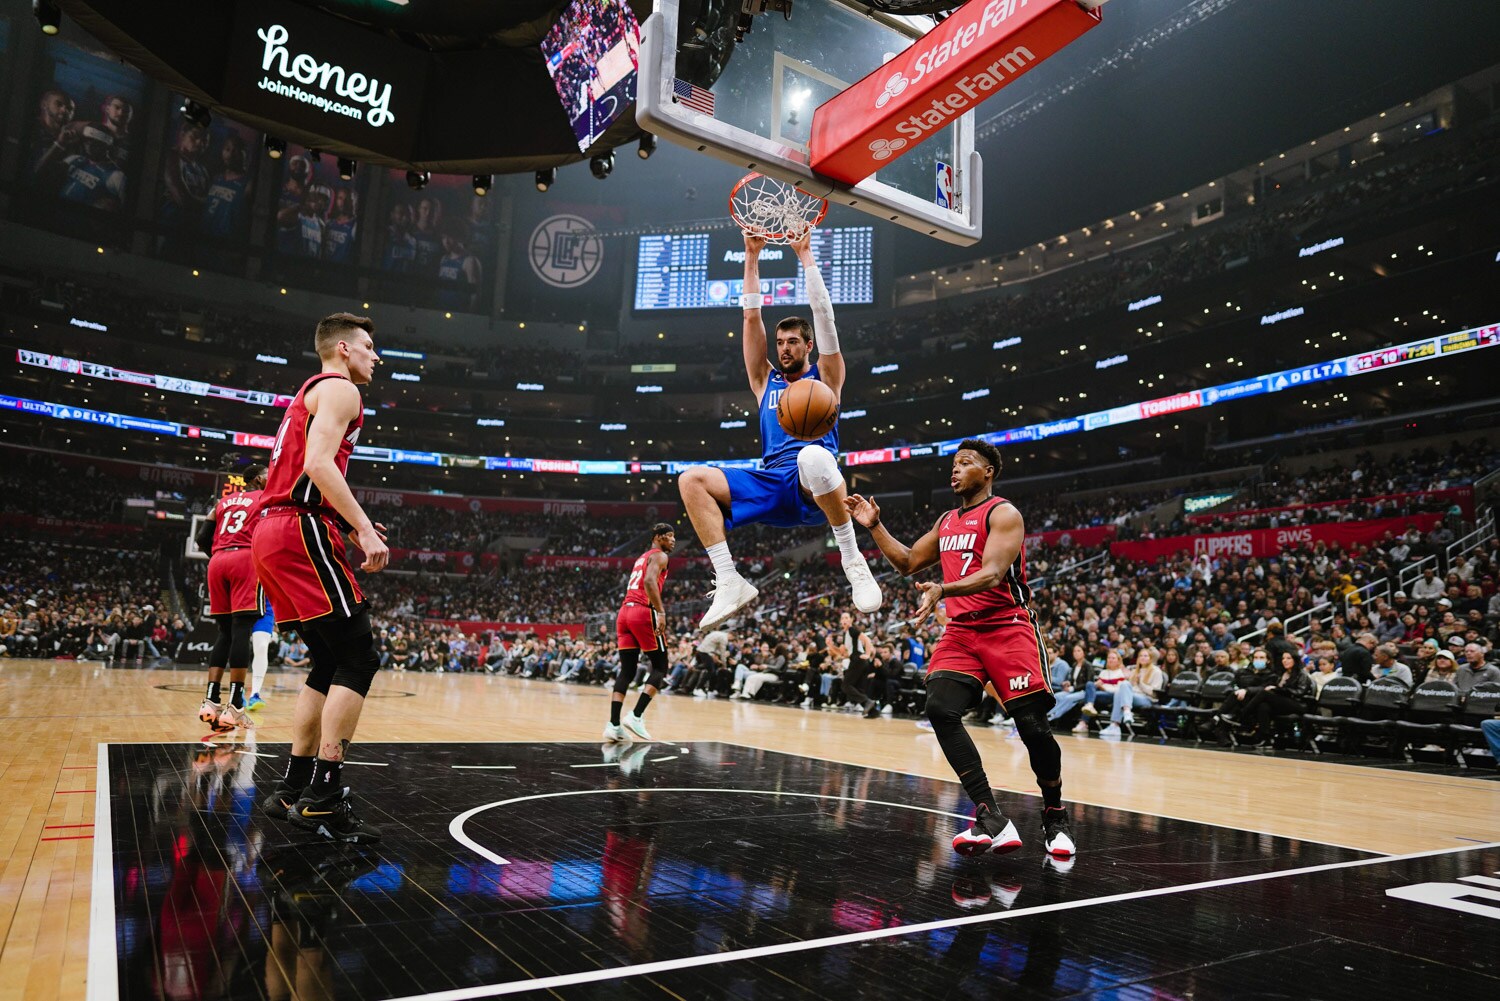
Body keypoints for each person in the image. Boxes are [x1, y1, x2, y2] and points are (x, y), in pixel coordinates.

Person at [847, 438, 1074, 859]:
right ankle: (990, 815)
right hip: (962, 631)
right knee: (939, 708)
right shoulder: (947, 520)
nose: (955, 470)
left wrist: (943, 589)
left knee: (1033, 728)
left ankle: (1055, 814)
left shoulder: (1003, 513)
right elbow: (908, 562)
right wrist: (874, 525)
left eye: (965, 463)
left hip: (1007, 626)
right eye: (953, 464)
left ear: (988, 472)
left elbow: (991, 574)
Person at [677, 231, 880, 629]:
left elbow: (824, 315)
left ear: (808, 346)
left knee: (813, 454)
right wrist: (751, 255)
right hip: (771, 481)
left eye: (792, 342)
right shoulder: (763, 380)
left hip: (815, 489)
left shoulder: (828, 376)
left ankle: (853, 559)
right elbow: (750, 317)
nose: (783, 348)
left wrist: (805, 255)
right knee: (691, 480)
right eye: (780, 342)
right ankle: (729, 580)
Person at [251, 312, 389, 844]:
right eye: (369, 347)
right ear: (342, 349)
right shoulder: (340, 389)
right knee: (359, 657)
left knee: (329, 660)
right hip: (297, 528)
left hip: (276, 531)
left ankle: (294, 787)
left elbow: (301, 472)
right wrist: (362, 529)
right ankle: (325, 797)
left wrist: (348, 524)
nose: (375, 357)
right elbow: (317, 465)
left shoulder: (306, 393)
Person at [194, 465, 267, 733]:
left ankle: (210, 701)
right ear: (259, 479)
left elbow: (202, 538)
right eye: (269, 474)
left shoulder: (222, 502)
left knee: (224, 632)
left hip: (218, 561)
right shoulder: (264, 496)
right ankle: (236, 705)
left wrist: (219, 557)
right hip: (245, 559)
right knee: (241, 632)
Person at [604, 523, 676, 743]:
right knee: (661, 666)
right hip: (643, 612)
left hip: (624, 613)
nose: (674, 541)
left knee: (626, 670)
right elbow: (648, 581)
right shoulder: (660, 556)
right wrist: (661, 612)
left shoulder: (641, 558)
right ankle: (636, 716)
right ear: (659, 537)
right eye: (670, 536)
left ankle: (613, 724)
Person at [832, 610, 881, 718]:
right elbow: (843, 654)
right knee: (857, 688)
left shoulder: (852, 629)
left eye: (846, 617)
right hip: (859, 661)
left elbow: (867, 640)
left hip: (858, 660)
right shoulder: (847, 634)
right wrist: (831, 646)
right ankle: (873, 711)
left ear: (851, 620)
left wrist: (868, 654)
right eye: (842, 618)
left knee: (846, 686)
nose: (844, 620)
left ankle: (867, 702)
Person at [246, 599, 276, 711]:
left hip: (266, 605)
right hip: (244, 601)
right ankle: (238, 693)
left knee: (262, 647)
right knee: (241, 645)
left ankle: (255, 694)